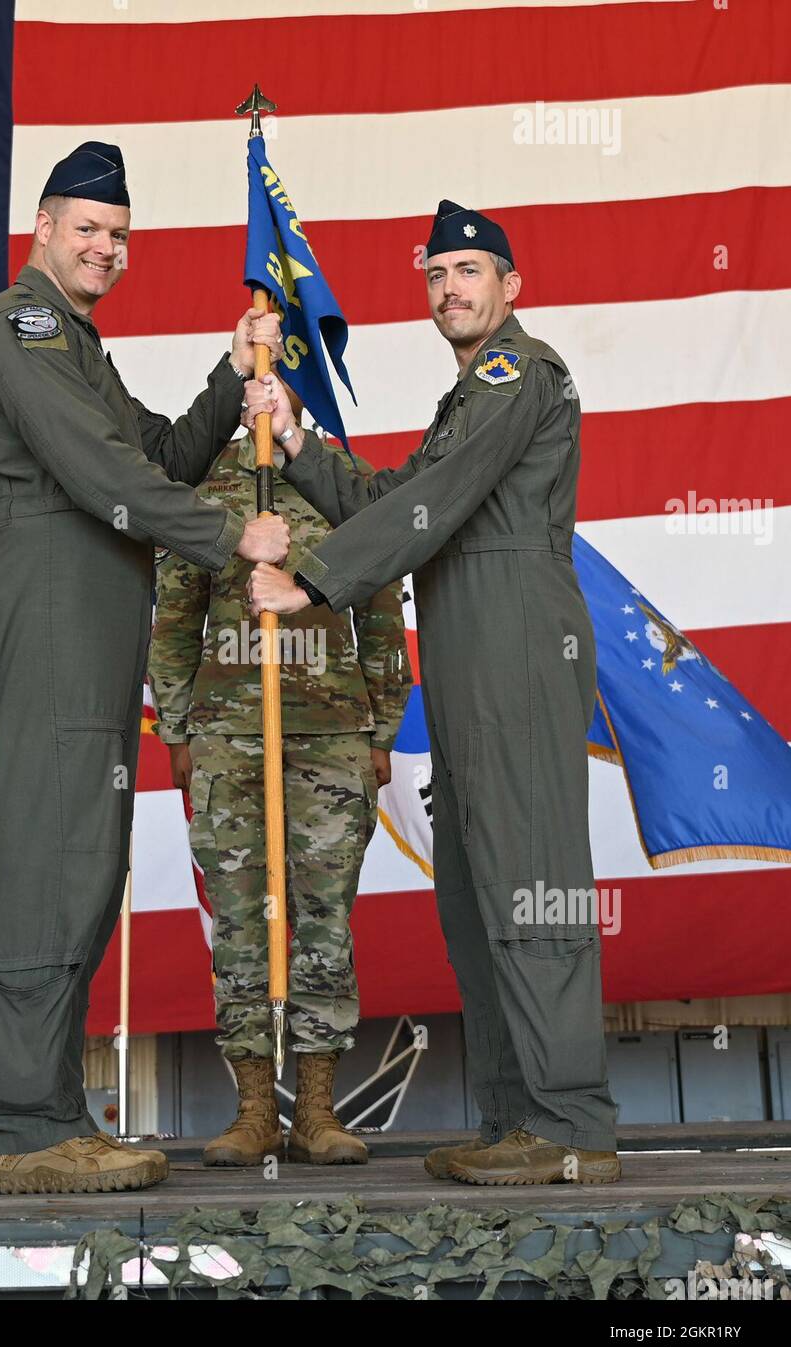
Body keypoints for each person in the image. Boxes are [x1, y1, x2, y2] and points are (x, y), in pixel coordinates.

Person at [243, 200, 621, 1186]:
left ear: (510, 286)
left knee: (529, 879)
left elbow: (426, 506)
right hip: (466, 651)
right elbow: (396, 498)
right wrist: (293, 446)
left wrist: (314, 579)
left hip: (515, 643)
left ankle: (570, 1121)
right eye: (436, 273)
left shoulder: (515, 373)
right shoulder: (467, 400)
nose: (450, 288)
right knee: (475, 889)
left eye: (469, 270)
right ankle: (515, 1121)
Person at [0, 141, 289, 1195]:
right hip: (51, 595)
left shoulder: (76, 347)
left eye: (118, 235)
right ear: (41, 230)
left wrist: (229, 375)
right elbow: (98, 470)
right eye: (86, 228)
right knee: (50, 859)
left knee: (84, 867)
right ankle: (17, 1120)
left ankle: (52, 1110)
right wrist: (230, 538)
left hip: (87, 608)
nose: (105, 247)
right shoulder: (22, 326)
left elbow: (151, 450)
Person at [149, 375, 411, 1166]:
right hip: (229, 735)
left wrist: (382, 727)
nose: (266, 400)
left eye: (279, 388)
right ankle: (254, 1110)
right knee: (239, 924)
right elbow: (173, 617)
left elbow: (383, 614)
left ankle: (319, 1114)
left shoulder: (342, 481)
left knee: (323, 921)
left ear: (296, 401)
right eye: (254, 386)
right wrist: (178, 726)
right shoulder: (205, 490)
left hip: (332, 733)